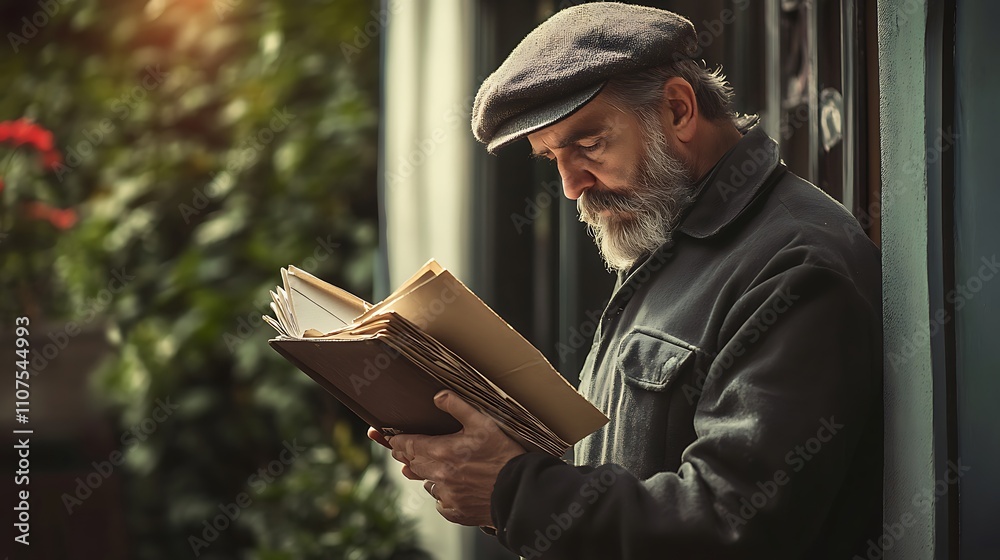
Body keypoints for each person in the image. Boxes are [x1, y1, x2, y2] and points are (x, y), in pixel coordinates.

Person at [370, 3, 882, 558]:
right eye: (552, 159)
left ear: (679, 109)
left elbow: (734, 524)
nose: (570, 186)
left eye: (587, 146)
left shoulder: (796, 265)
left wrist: (514, 490)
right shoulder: (671, 237)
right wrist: (500, 458)